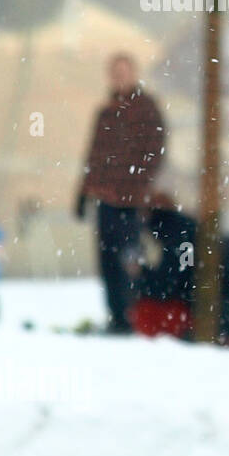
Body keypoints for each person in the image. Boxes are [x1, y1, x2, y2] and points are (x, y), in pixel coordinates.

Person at [75, 53, 166, 334]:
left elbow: (155, 151)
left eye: (124, 71)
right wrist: (84, 192)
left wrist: (137, 186)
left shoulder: (146, 108)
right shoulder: (106, 111)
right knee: (108, 260)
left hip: (131, 201)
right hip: (105, 199)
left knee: (130, 260)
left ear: (134, 73)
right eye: (115, 72)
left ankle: (133, 316)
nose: (119, 77)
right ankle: (117, 316)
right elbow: (95, 154)